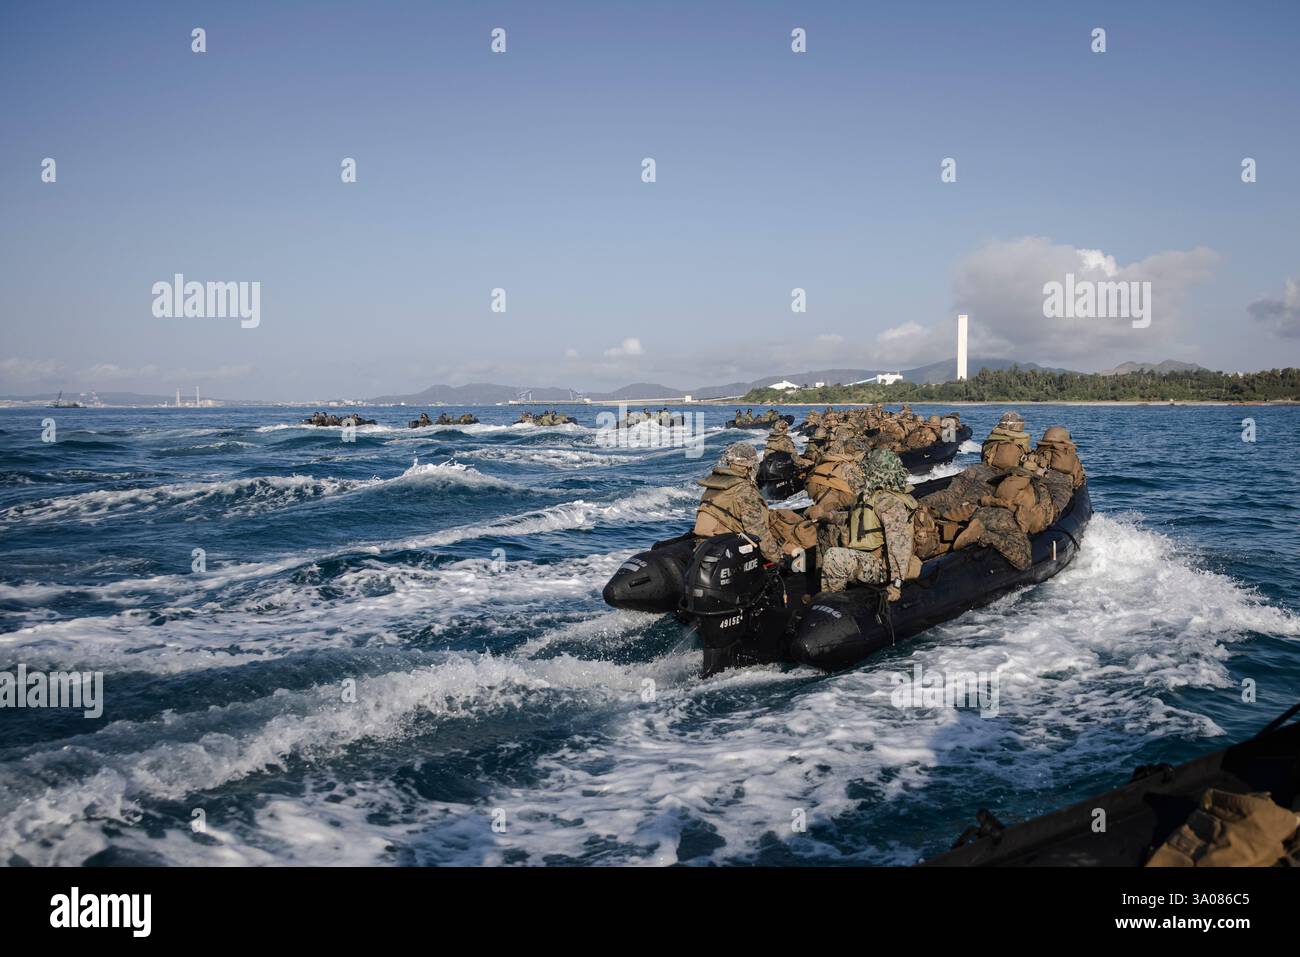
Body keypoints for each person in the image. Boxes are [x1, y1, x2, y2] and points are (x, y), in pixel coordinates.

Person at [819, 449, 921, 598]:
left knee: (835, 556)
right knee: (825, 531)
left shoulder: (889, 503)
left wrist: (896, 584)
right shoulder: (870, 496)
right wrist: (827, 516)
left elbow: (899, 545)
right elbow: (855, 518)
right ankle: (829, 593)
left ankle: (835, 600)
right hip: (866, 557)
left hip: (882, 567)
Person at [693, 443, 811, 563]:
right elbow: (758, 532)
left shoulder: (713, 485)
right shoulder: (744, 491)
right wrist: (778, 558)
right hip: (728, 552)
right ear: (748, 466)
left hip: (704, 547)